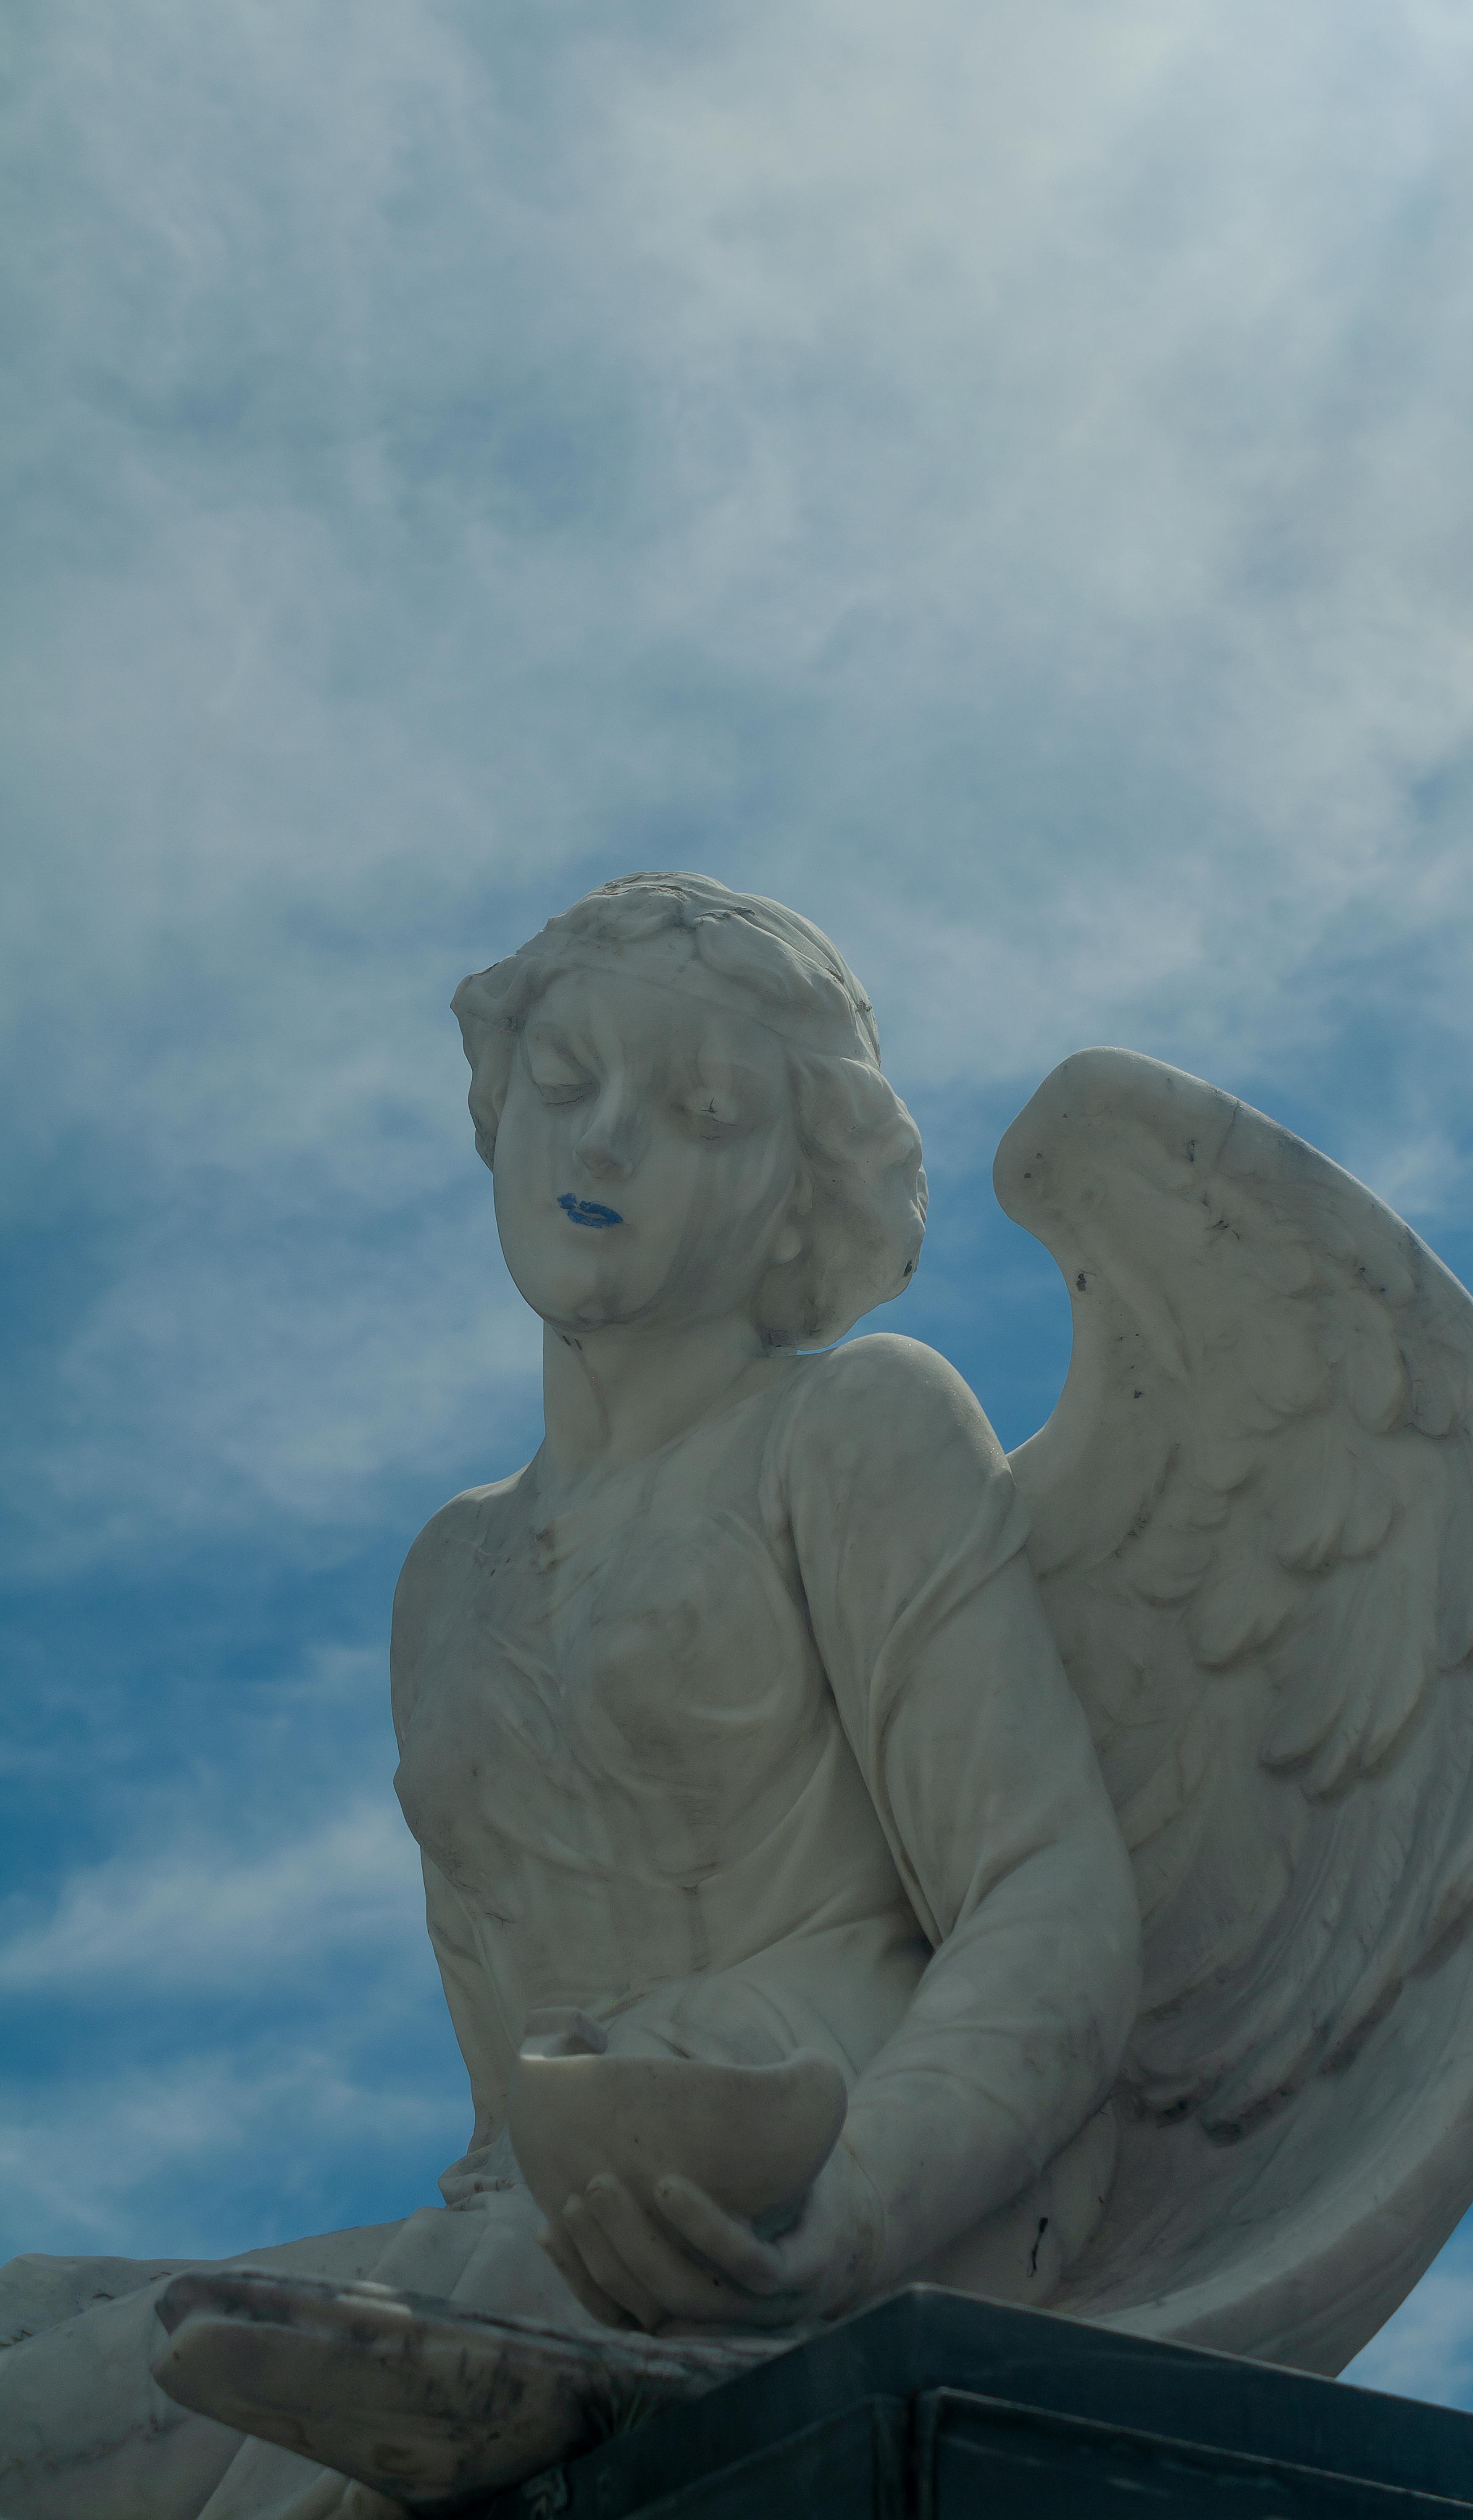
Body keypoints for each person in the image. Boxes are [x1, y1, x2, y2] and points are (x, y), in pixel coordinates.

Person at [0, 873, 1138, 2520]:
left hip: (807, 2186)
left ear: (800, 1195)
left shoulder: (854, 1428)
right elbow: (503, 2101)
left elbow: (1049, 1896)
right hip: (535, 2229)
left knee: (285, 2449)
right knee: (35, 2328)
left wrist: (850, 2220)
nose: (602, 1144)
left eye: (697, 1110)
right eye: (561, 1086)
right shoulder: (449, 1576)